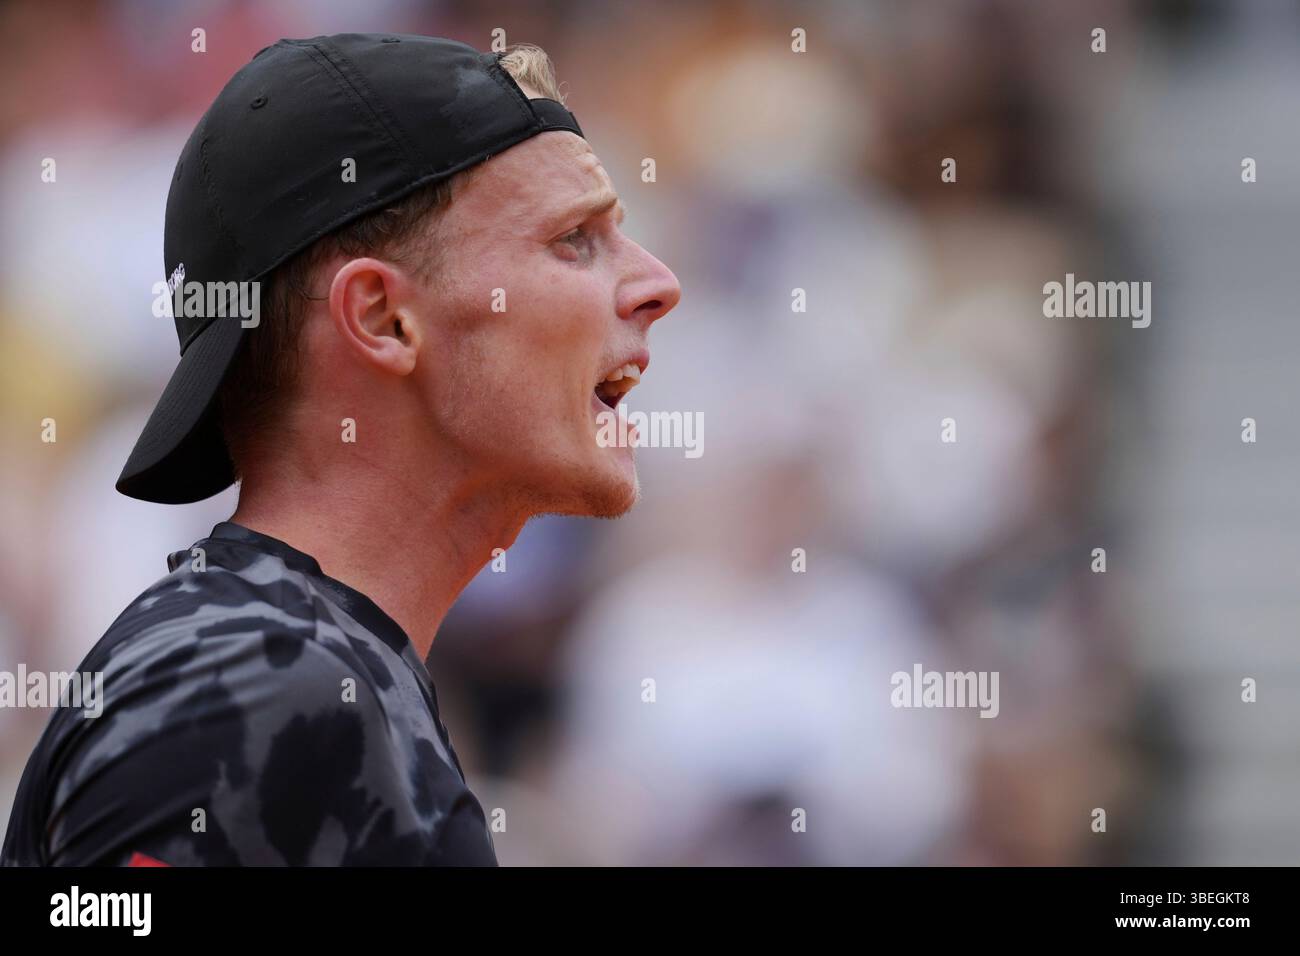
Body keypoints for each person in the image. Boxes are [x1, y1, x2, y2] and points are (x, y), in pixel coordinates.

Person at [1, 33, 680, 866]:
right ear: (382, 319)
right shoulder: (249, 685)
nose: (659, 284)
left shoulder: (296, 669)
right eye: (573, 238)